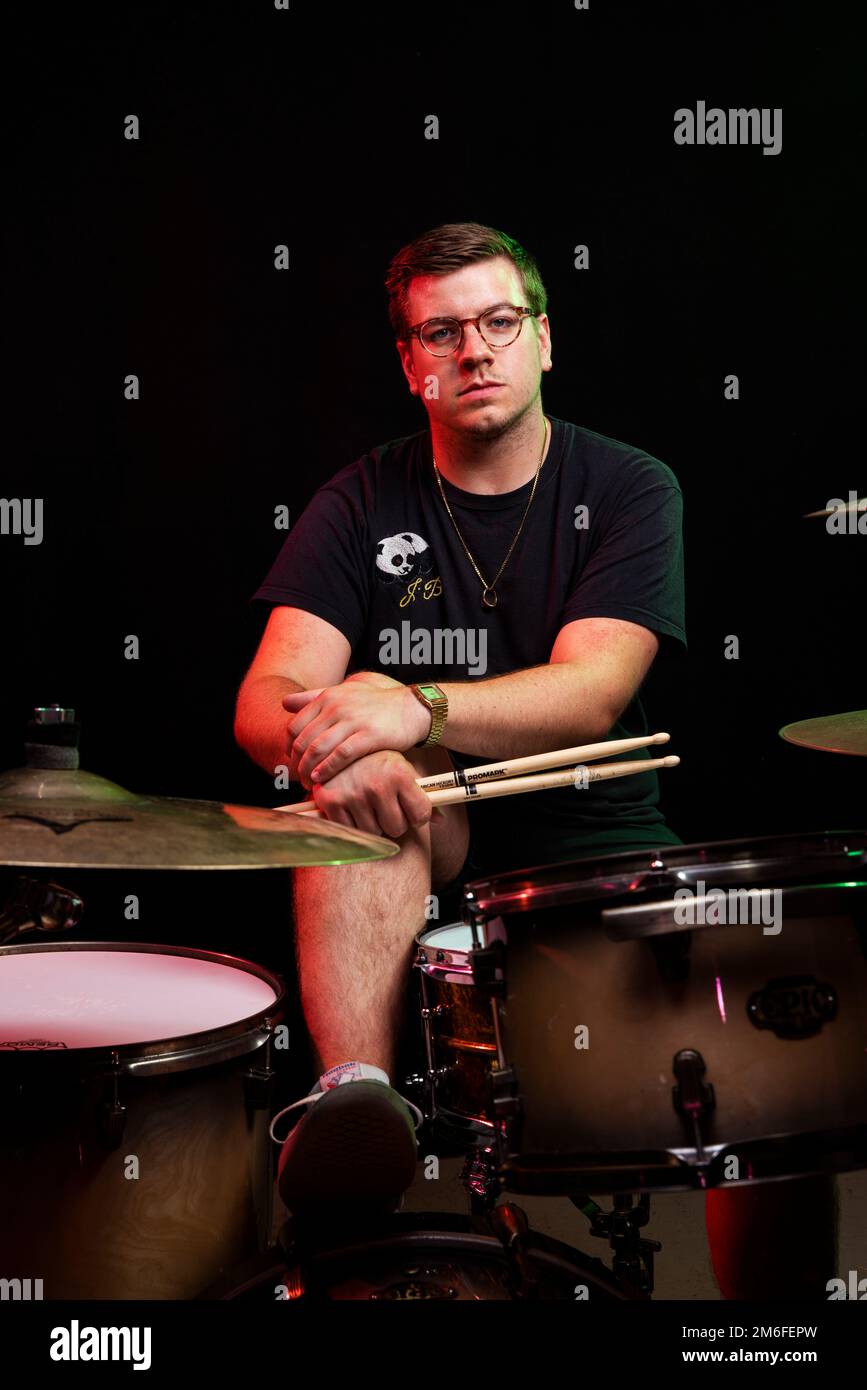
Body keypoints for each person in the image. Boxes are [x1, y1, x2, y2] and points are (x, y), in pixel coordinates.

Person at [234, 222, 834, 1296]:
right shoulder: (359, 500)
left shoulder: (632, 485)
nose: (475, 349)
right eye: (442, 331)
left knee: (778, 1088)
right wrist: (329, 740)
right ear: (410, 361)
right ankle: (359, 1100)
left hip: (603, 840)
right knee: (356, 787)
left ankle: (770, 1337)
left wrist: (410, 702)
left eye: (500, 322)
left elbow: (592, 692)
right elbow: (264, 696)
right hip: (437, 835)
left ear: (543, 340)